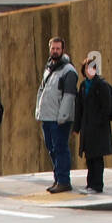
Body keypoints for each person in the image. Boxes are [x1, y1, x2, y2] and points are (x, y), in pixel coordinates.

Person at [34, 36, 78, 193]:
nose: (55, 51)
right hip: (47, 117)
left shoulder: (69, 71)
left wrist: (62, 117)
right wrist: (39, 112)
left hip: (59, 120)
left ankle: (64, 181)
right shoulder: (49, 68)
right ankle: (58, 179)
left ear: (63, 50)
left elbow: (69, 96)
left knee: (60, 148)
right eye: (53, 48)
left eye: (58, 48)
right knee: (52, 149)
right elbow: (42, 90)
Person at [74, 51, 112, 195]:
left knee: (97, 157)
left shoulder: (101, 85)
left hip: (98, 128)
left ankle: (97, 185)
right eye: (87, 68)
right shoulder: (83, 86)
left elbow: (107, 107)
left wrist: (98, 122)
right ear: (84, 71)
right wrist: (77, 127)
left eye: (92, 68)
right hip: (87, 127)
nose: (90, 71)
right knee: (89, 157)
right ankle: (90, 184)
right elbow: (79, 107)